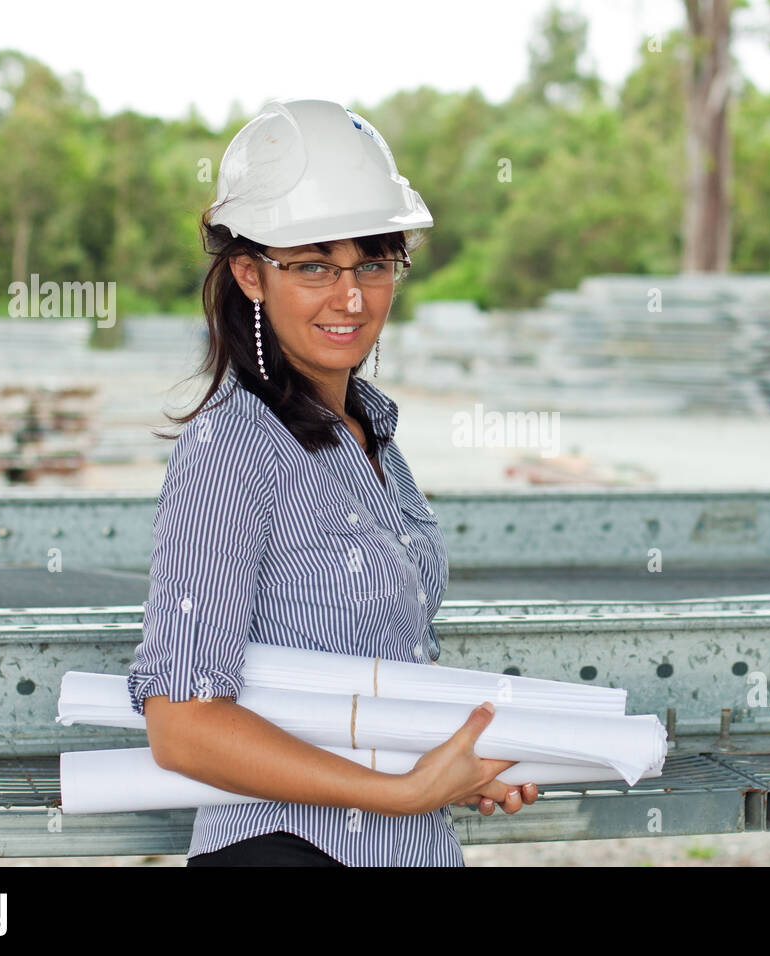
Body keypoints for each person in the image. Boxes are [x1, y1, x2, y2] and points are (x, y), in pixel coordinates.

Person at [128, 98, 538, 867]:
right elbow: (181, 722)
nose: (350, 297)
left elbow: (381, 662)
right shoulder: (233, 449)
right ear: (250, 274)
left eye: (373, 263)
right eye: (314, 264)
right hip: (288, 852)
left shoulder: (370, 435)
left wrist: (458, 764)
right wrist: (403, 790)